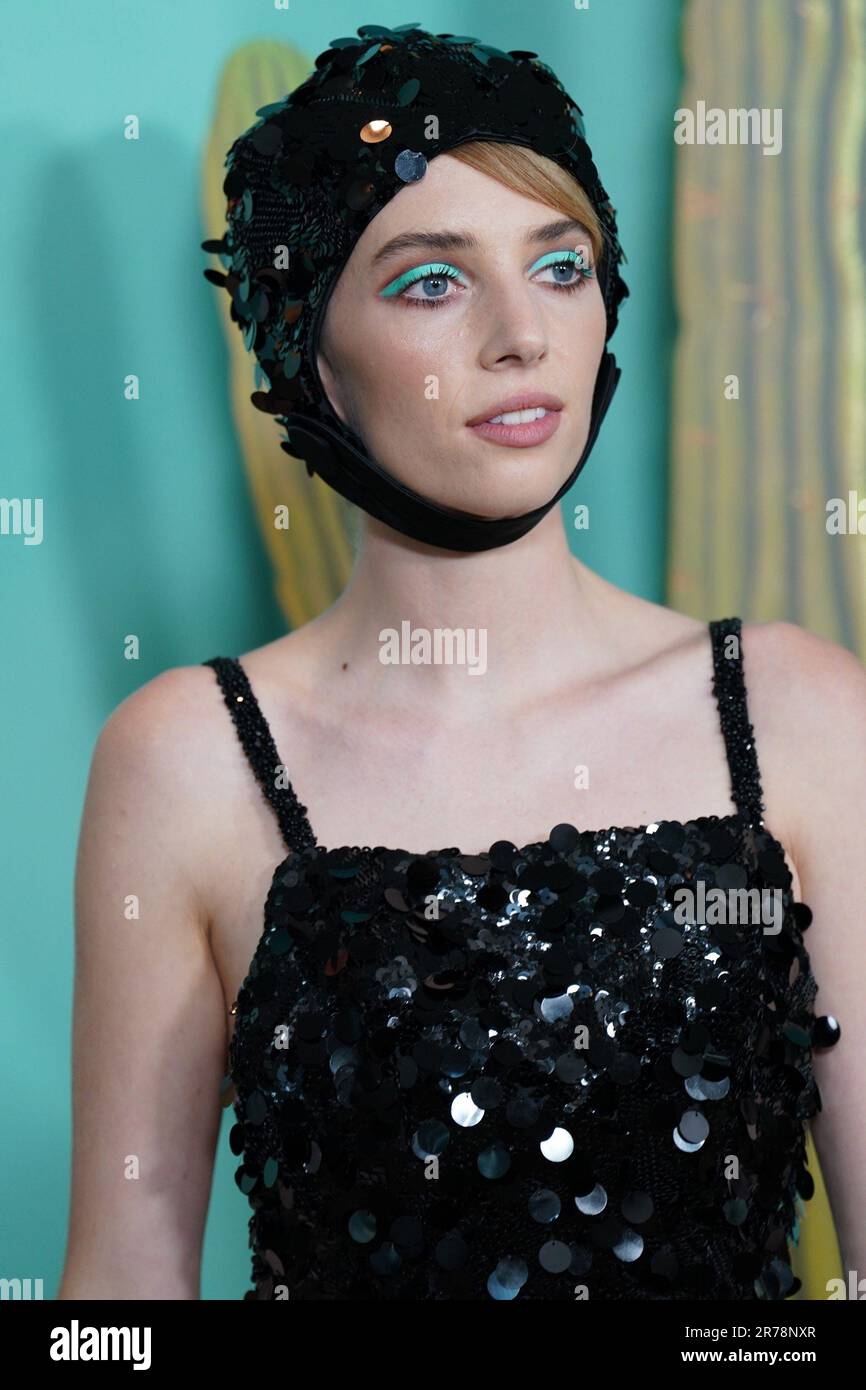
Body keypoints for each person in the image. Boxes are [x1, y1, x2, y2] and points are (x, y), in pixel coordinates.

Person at [59, 23, 864, 1301]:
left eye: (559, 266)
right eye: (430, 281)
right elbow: (113, 1304)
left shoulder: (800, 715)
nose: (519, 334)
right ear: (309, 352)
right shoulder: (183, 757)